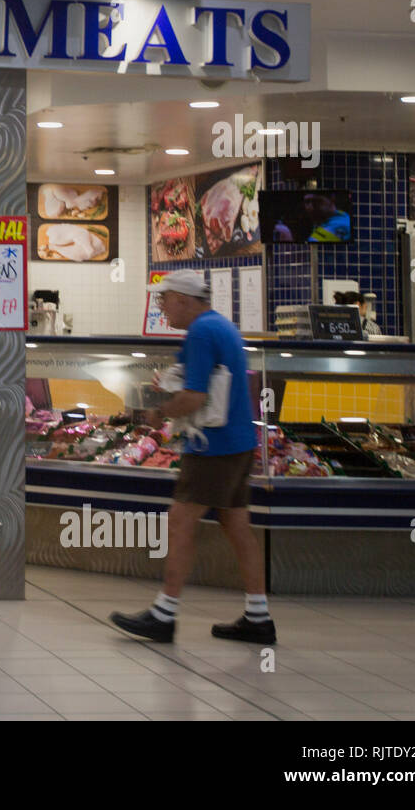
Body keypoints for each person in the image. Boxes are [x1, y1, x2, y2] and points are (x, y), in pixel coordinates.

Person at [110, 270, 275, 645]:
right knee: (237, 527)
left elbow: (195, 398)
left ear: (183, 299)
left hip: (212, 446)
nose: (161, 306)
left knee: (180, 522)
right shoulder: (222, 327)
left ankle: (164, 615)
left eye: (164, 298)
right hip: (239, 441)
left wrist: (159, 413)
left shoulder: (200, 333)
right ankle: (258, 617)